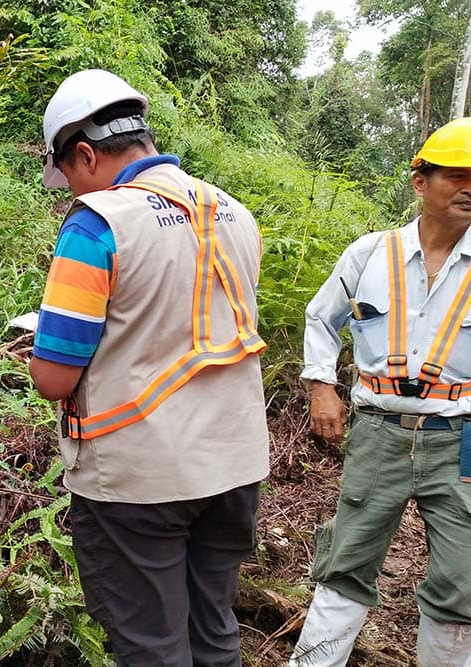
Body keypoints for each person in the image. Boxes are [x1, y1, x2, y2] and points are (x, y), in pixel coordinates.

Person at [29, 69, 270, 666]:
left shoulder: (96, 223)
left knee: (151, 647)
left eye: (67, 176)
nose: (69, 191)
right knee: (213, 631)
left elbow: (53, 377)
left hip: (138, 479)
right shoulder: (235, 213)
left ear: (83, 154)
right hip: (236, 466)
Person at [290, 118, 471, 666]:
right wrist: (322, 386)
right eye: (457, 176)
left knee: (462, 580)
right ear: (421, 182)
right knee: (346, 562)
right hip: (378, 431)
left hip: (460, 438)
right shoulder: (371, 254)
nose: (469, 189)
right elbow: (322, 320)